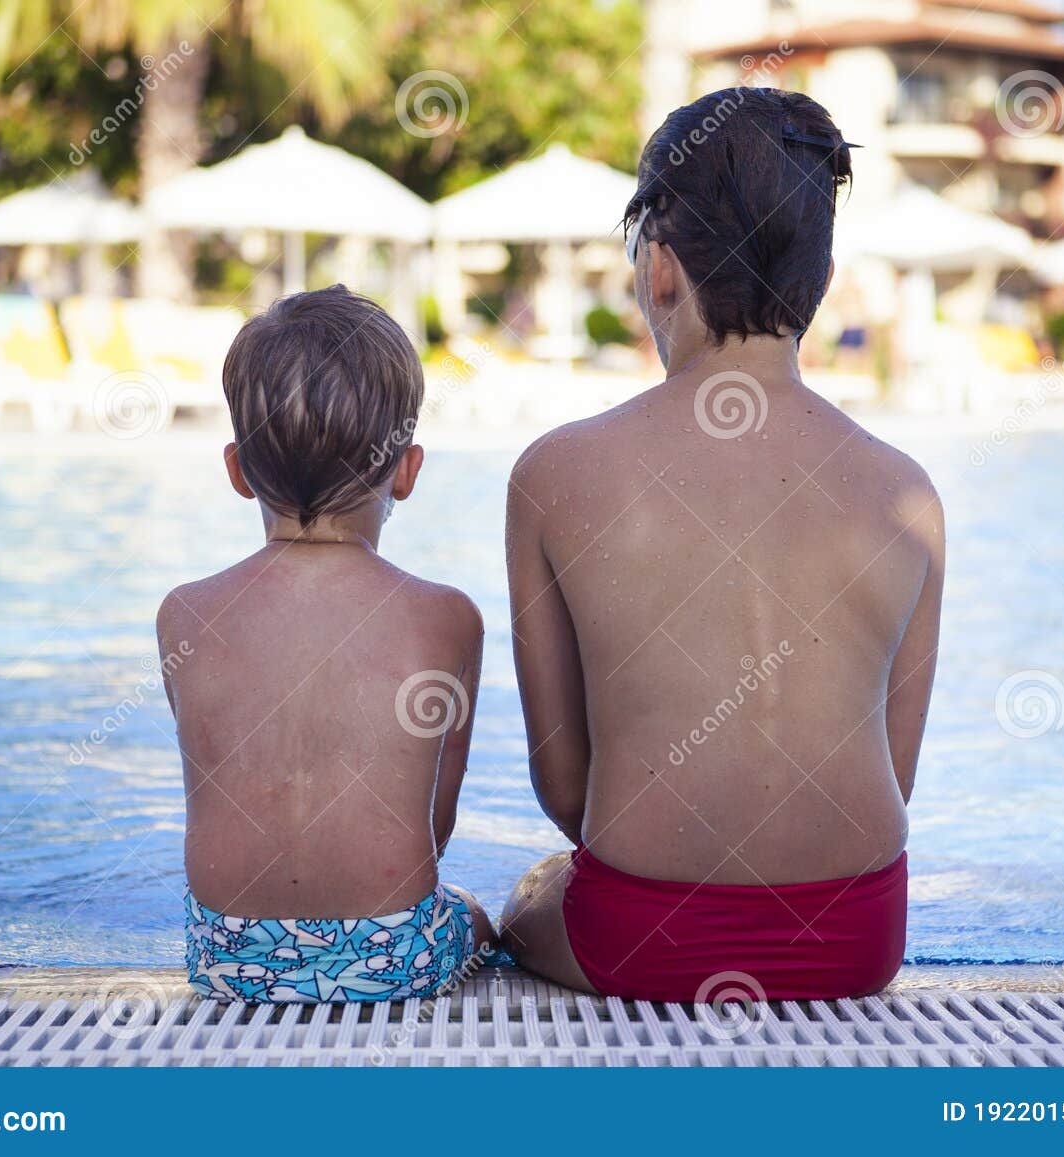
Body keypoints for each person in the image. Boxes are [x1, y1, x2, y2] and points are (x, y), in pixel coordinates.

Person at [499, 89, 945, 1001]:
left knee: (531, 892)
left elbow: (568, 789)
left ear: (661, 268)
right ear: (816, 282)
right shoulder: (909, 495)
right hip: (858, 939)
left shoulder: (554, 475)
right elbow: (894, 776)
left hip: (641, 937)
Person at [157, 286, 494, 1003]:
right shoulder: (447, 617)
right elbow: (433, 828)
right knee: (483, 913)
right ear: (407, 468)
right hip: (392, 956)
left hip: (224, 956)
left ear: (237, 470)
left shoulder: (183, 616)